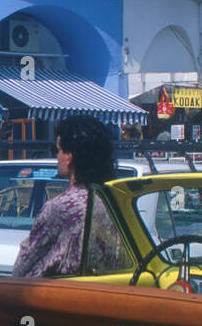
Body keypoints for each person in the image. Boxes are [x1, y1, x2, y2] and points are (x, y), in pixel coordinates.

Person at [13, 116, 121, 278]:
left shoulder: (61, 207)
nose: (57, 157)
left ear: (69, 157)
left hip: (57, 295)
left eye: (58, 150)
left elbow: (22, 266)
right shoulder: (114, 201)